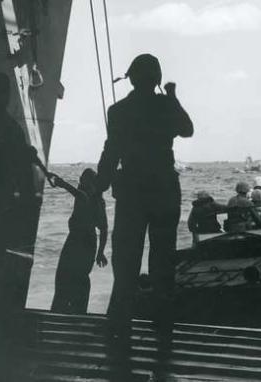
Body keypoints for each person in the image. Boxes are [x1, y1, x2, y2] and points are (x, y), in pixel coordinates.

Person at [96, 53, 193, 364]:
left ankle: (119, 322)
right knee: (163, 259)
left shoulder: (119, 110)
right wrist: (173, 95)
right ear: (156, 79)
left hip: (132, 191)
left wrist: (99, 184)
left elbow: (111, 150)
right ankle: (164, 325)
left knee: (126, 259)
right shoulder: (166, 106)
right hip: (164, 188)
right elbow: (187, 129)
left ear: (132, 78)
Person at [50, 169, 108, 314]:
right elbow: (104, 229)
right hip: (89, 243)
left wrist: (63, 184)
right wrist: (100, 252)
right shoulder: (99, 201)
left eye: (83, 179)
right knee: (80, 278)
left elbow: (78, 194)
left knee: (65, 277)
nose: (80, 181)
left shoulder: (86, 197)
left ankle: (61, 311)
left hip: (78, 241)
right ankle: (78, 311)